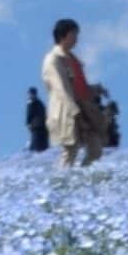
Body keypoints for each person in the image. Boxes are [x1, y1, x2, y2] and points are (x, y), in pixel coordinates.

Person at [42, 18, 104, 167]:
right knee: (71, 149)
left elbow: (79, 85)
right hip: (67, 111)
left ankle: (80, 179)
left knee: (95, 150)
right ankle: (63, 182)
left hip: (84, 107)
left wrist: (95, 89)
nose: (77, 38)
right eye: (73, 34)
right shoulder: (53, 60)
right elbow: (60, 89)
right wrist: (74, 112)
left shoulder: (72, 59)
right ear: (63, 36)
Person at [25, 88, 51, 152]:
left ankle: (38, 150)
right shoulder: (37, 102)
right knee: (38, 140)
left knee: (38, 140)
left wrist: (28, 123)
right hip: (38, 125)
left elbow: (29, 113)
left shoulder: (34, 102)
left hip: (38, 125)